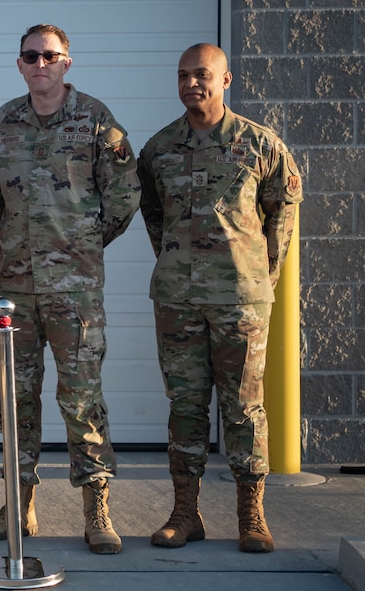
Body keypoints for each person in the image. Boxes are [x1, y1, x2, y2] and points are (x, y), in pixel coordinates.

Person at [0, 24, 140, 554]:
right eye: (31, 56)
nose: (40, 64)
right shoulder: (4, 122)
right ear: (19, 64)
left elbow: (124, 196)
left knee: (81, 397)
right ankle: (18, 506)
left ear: (67, 62)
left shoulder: (95, 120)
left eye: (50, 56)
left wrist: (81, 243)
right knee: (13, 399)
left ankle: (97, 510)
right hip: (16, 288)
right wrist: (25, 242)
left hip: (75, 291)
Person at [138, 43, 302, 554]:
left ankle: (251, 515)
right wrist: (178, 264)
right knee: (184, 405)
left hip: (241, 300)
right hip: (177, 301)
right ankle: (185, 514)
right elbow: (153, 215)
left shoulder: (259, 144)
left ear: (225, 80)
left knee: (244, 407)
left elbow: (283, 210)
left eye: (203, 75)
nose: (193, 83)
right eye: (184, 75)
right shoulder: (159, 149)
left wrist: (259, 275)